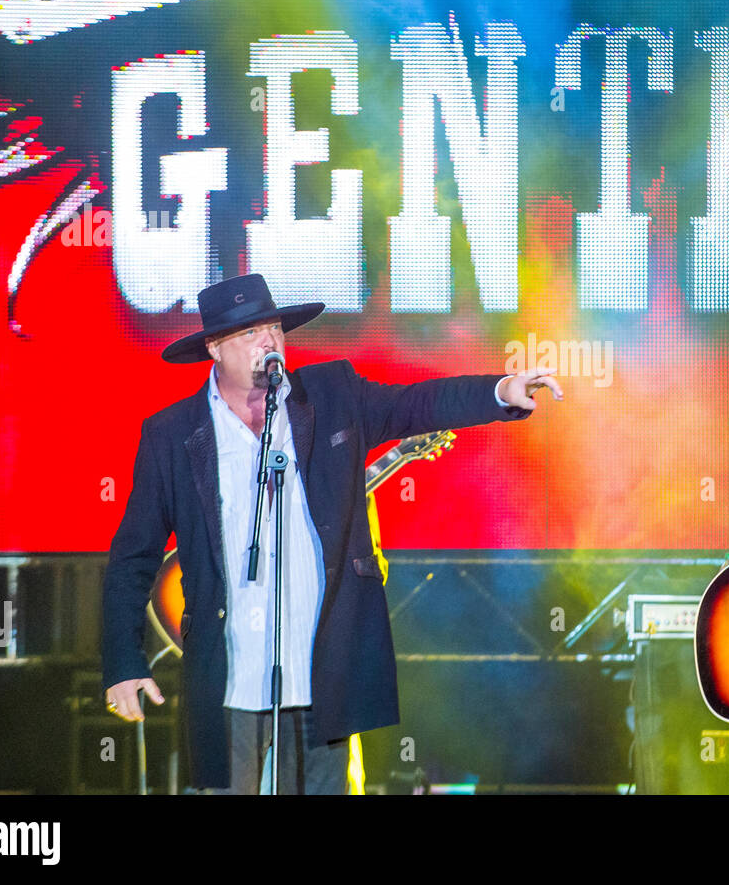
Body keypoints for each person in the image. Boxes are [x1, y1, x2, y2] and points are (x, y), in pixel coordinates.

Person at [101, 273, 561, 793]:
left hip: (320, 676)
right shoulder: (174, 433)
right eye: (251, 333)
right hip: (228, 678)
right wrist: (122, 662)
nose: (269, 340)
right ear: (214, 348)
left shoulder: (332, 395)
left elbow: (415, 404)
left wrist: (499, 391)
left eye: (274, 327)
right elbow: (133, 557)